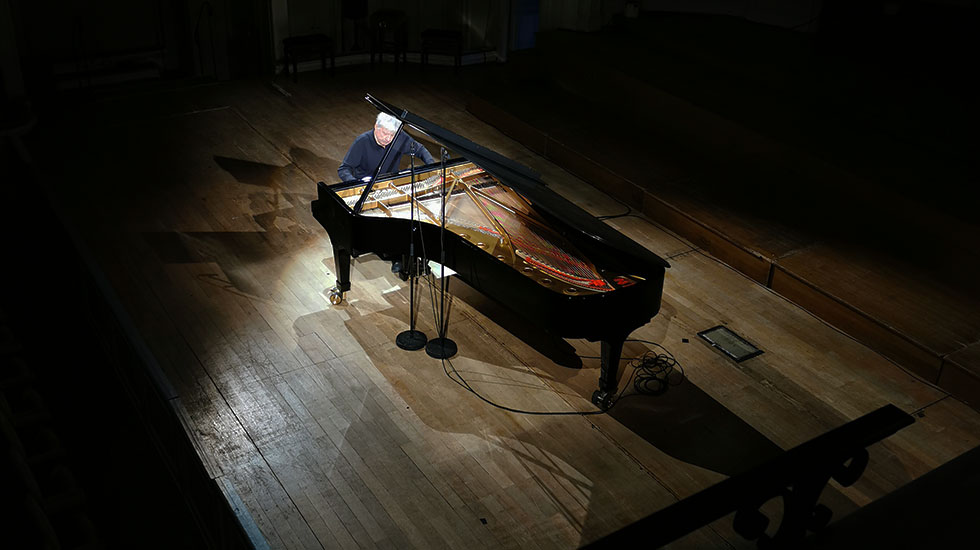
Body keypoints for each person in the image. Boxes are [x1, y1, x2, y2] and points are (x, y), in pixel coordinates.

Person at [337, 111, 436, 182]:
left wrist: (432, 167)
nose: (388, 138)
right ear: (376, 127)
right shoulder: (362, 142)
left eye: (392, 135)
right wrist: (355, 183)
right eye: (385, 133)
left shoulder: (399, 137)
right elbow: (344, 169)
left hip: (392, 182)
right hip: (368, 185)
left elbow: (420, 150)